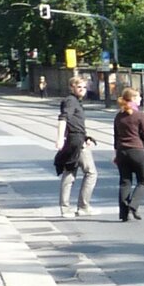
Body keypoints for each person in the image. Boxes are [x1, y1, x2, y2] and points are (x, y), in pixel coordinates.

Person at [52, 73, 98, 217]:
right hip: (76, 141)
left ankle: (66, 208)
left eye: (85, 87)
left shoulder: (75, 101)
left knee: (70, 173)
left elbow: (75, 123)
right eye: (79, 87)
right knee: (90, 173)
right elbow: (63, 119)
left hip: (77, 139)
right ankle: (82, 206)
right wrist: (59, 139)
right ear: (72, 87)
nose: (83, 89)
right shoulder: (71, 101)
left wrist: (86, 137)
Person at [112, 88, 144, 221]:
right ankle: (133, 205)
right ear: (133, 99)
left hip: (122, 152)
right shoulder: (140, 115)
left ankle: (124, 214)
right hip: (137, 151)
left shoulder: (119, 116)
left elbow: (116, 138)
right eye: (139, 97)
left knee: (125, 182)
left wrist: (116, 155)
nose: (140, 99)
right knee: (143, 181)